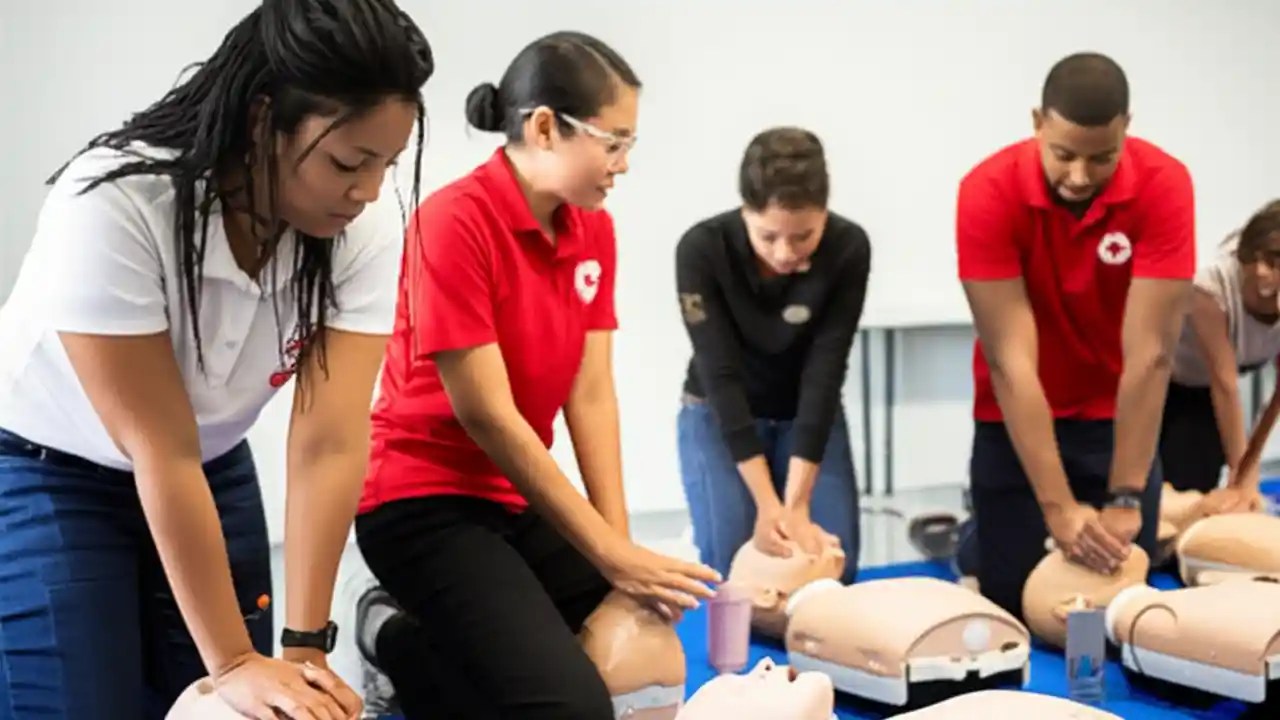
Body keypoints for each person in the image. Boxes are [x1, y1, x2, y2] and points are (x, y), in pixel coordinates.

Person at [0, 1, 433, 717]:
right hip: (50, 466)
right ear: (264, 119)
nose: (370, 190)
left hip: (207, 464)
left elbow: (327, 441)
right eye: (349, 162)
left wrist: (302, 648)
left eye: (387, 163)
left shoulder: (362, 226)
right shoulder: (115, 203)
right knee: (88, 699)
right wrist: (233, 659)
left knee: (257, 703)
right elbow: (157, 447)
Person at [350, 31, 721, 720]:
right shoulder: (455, 221)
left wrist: (621, 556)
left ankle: (430, 643)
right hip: (421, 502)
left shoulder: (592, 231)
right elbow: (486, 414)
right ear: (545, 126)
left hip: (514, 499)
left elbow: (591, 395)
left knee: (648, 645)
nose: (624, 164)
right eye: (614, 142)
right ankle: (393, 644)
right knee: (570, 707)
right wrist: (608, 554)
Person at [955, 51, 1195, 620]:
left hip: (1117, 415)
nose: (1080, 176)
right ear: (1037, 122)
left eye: (1101, 158)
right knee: (1014, 605)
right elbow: (1012, 362)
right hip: (1013, 417)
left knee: (1114, 609)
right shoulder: (987, 190)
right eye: (1063, 155)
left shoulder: (1165, 185)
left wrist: (1126, 498)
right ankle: (976, 540)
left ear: (1126, 131)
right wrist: (1058, 507)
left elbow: (1152, 357)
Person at [674, 127, 870, 584]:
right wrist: (769, 506)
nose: (785, 253)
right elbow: (720, 377)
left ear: (824, 215)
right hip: (719, 411)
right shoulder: (701, 249)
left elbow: (825, 374)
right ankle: (714, 521)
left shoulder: (848, 248)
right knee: (736, 574)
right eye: (768, 236)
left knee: (833, 566)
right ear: (745, 212)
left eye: (803, 237)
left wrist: (797, 505)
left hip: (804, 411)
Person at [1160, 200, 1280, 511]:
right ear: (1255, 263)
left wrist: (1247, 472)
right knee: (1152, 491)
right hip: (1160, 383)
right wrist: (1241, 472)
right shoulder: (1209, 287)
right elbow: (1224, 383)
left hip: (1202, 396)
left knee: (1197, 481)